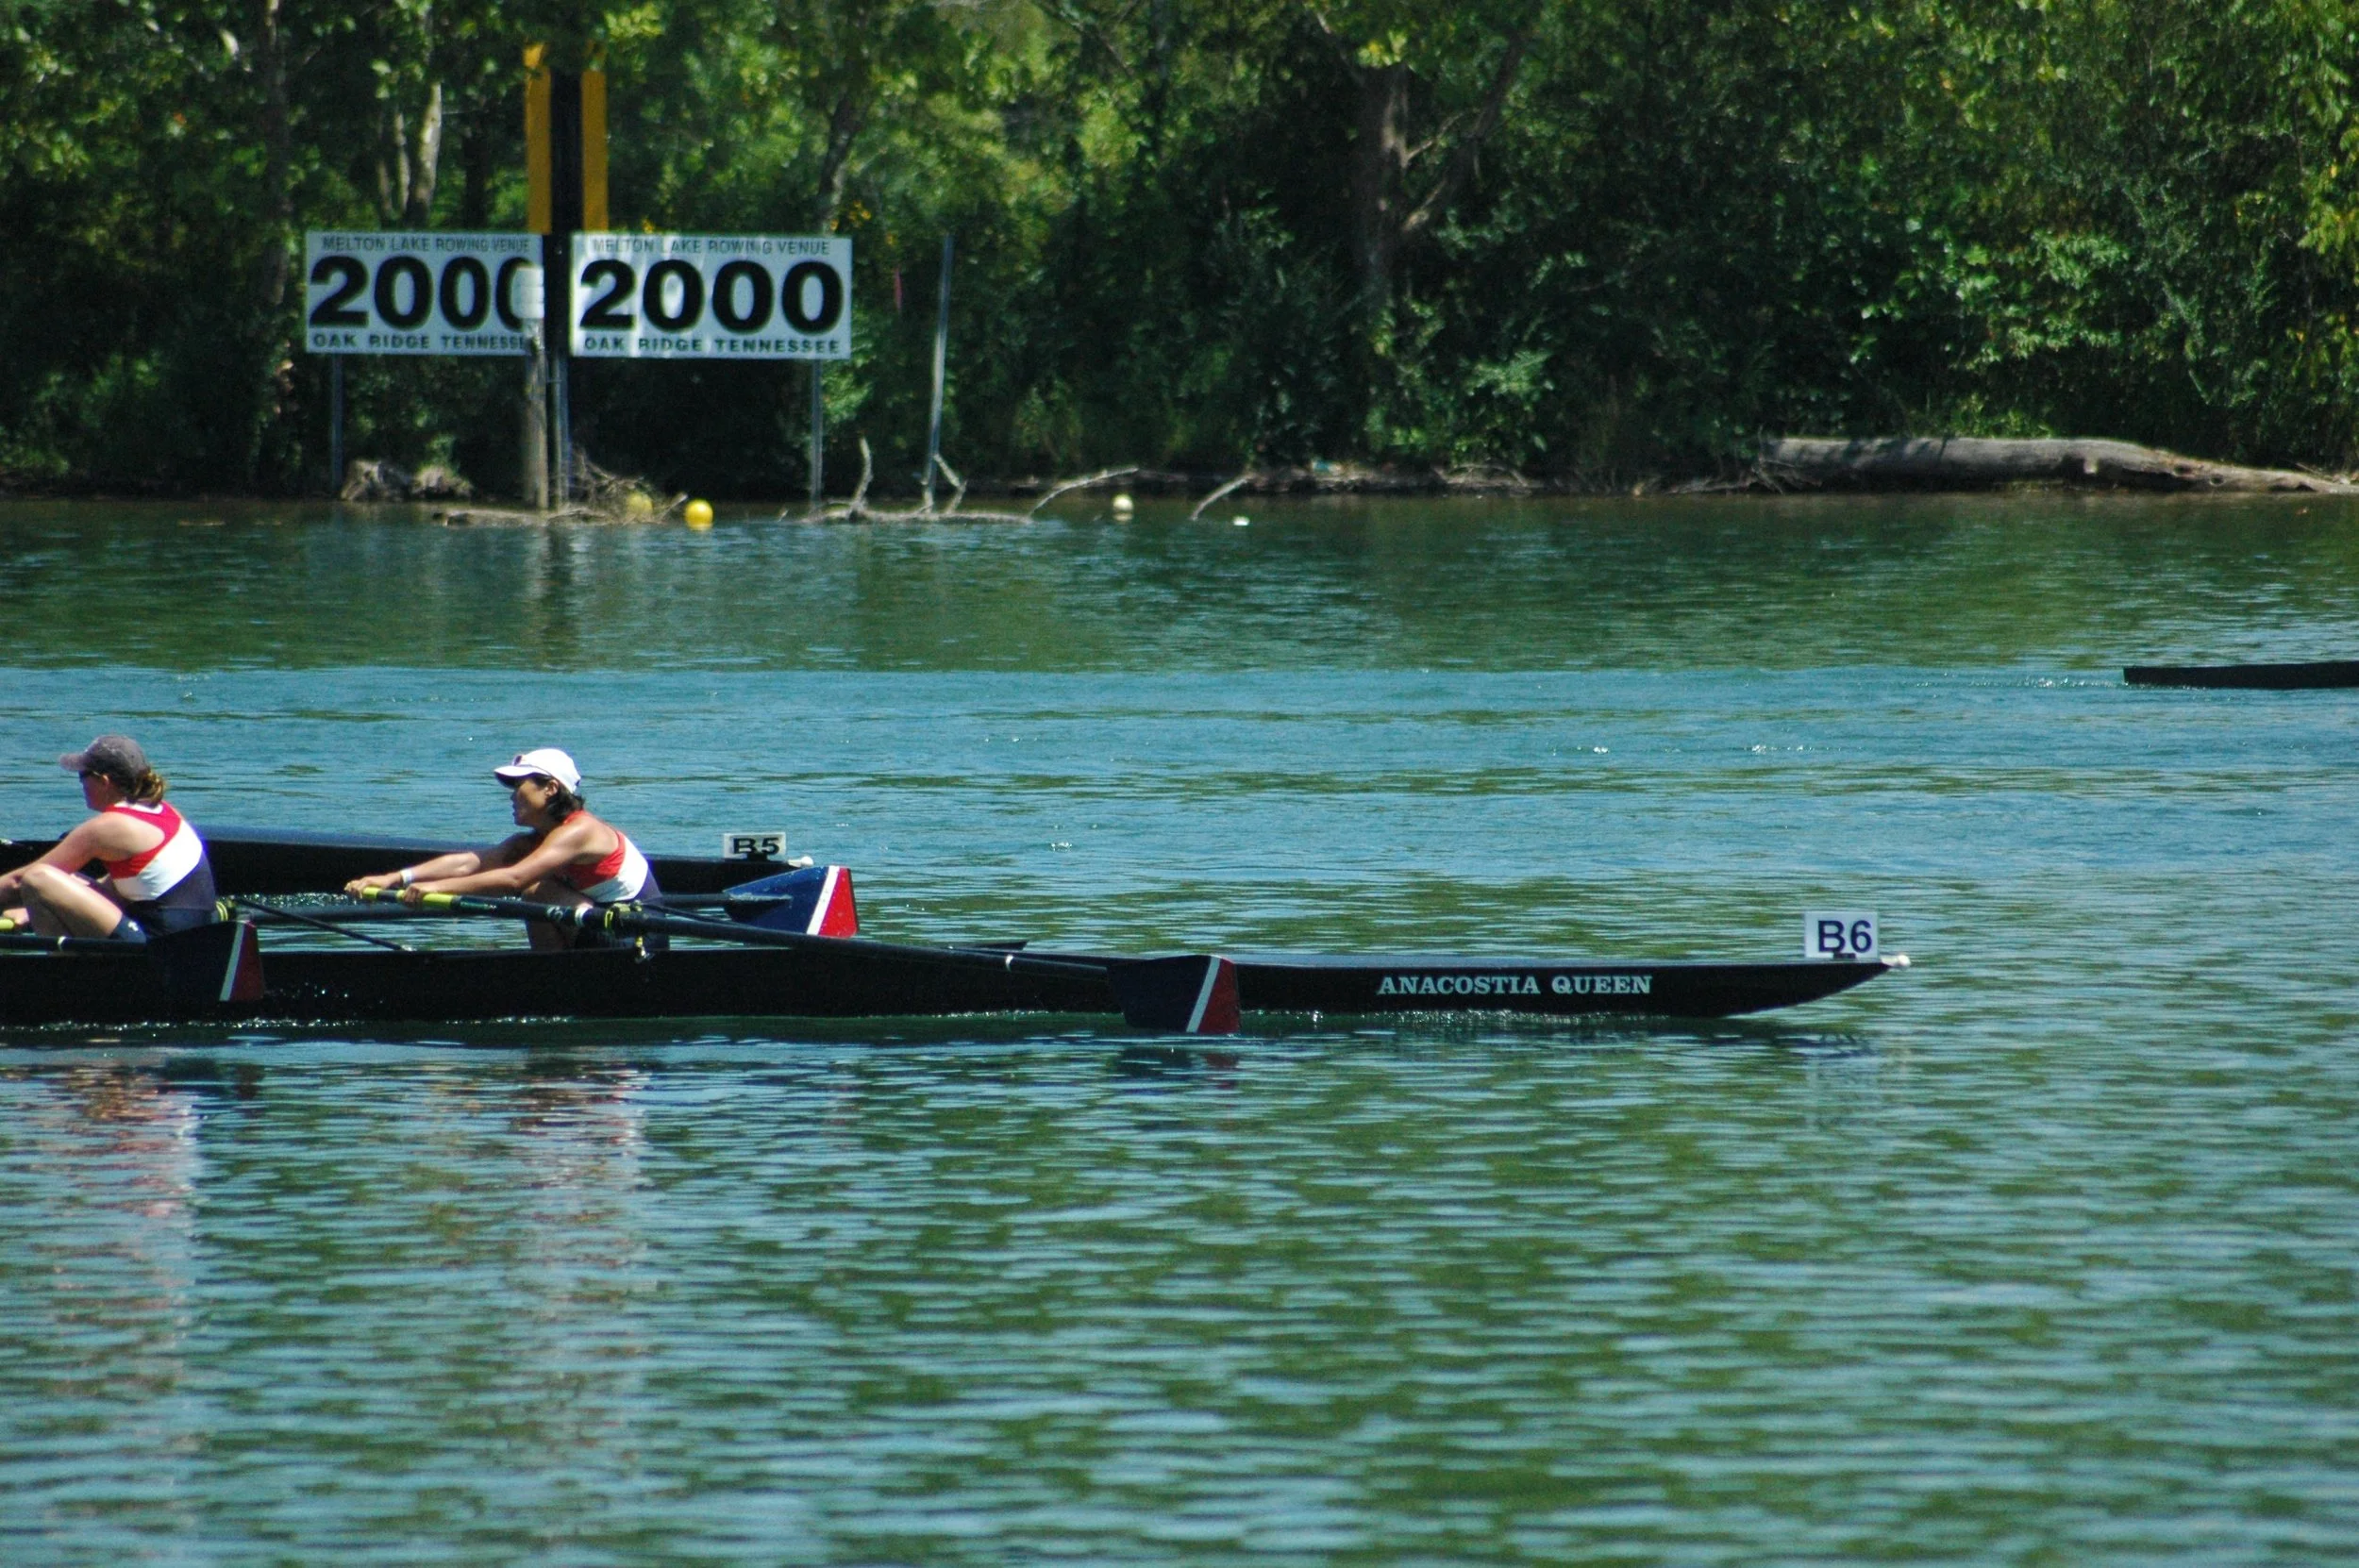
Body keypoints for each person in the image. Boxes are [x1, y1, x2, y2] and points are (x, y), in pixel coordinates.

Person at [343, 747, 663, 951]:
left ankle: (553, 981)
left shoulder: (580, 831)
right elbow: (473, 863)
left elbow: (513, 880)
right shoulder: (535, 839)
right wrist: (395, 878)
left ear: (551, 789)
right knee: (537, 888)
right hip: (603, 930)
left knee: (537, 891)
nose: (512, 796)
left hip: (637, 941)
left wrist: (432, 890)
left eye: (519, 786)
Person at [0, 734, 219, 941]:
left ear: (104, 782)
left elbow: (18, 882)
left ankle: (62, 972)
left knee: (39, 879)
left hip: (159, 943)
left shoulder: (108, 827)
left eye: (82, 776)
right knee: (69, 880)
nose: (80, 785)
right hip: (190, 939)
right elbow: (124, 887)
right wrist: (33, 907)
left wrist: (34, 896)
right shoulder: (165, 812)